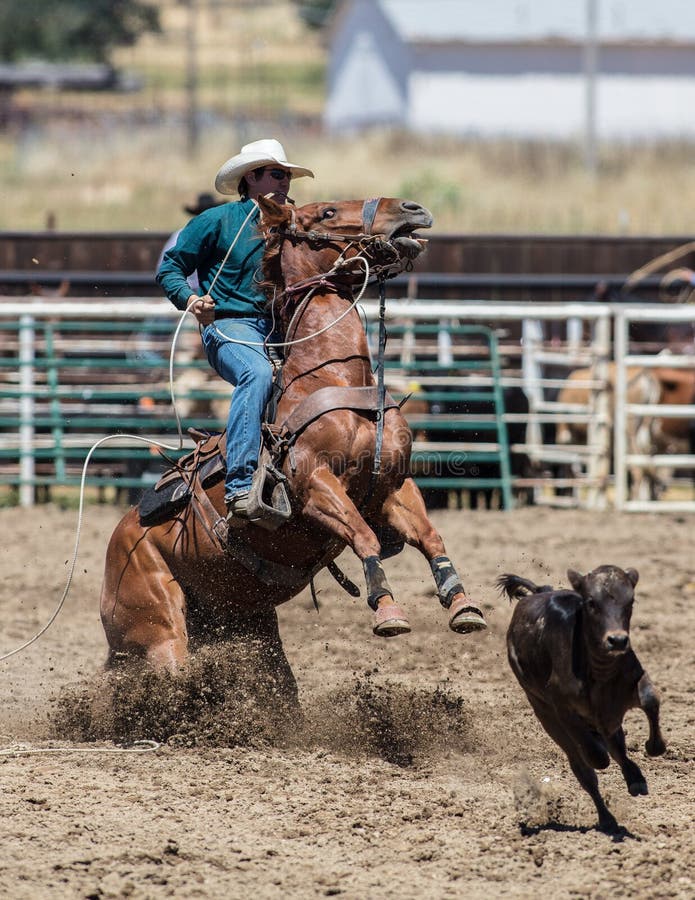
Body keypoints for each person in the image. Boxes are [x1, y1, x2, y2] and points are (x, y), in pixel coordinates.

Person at [156, 138, 314, 522]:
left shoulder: (296, 225)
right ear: (251, 178)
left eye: (287, 176)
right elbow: (170, 267)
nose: (285, 181)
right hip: (229, 326)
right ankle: (240, 485)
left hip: (283, 329)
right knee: (256, 372)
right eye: (276, 174)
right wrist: (191, 300)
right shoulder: (218, 220)